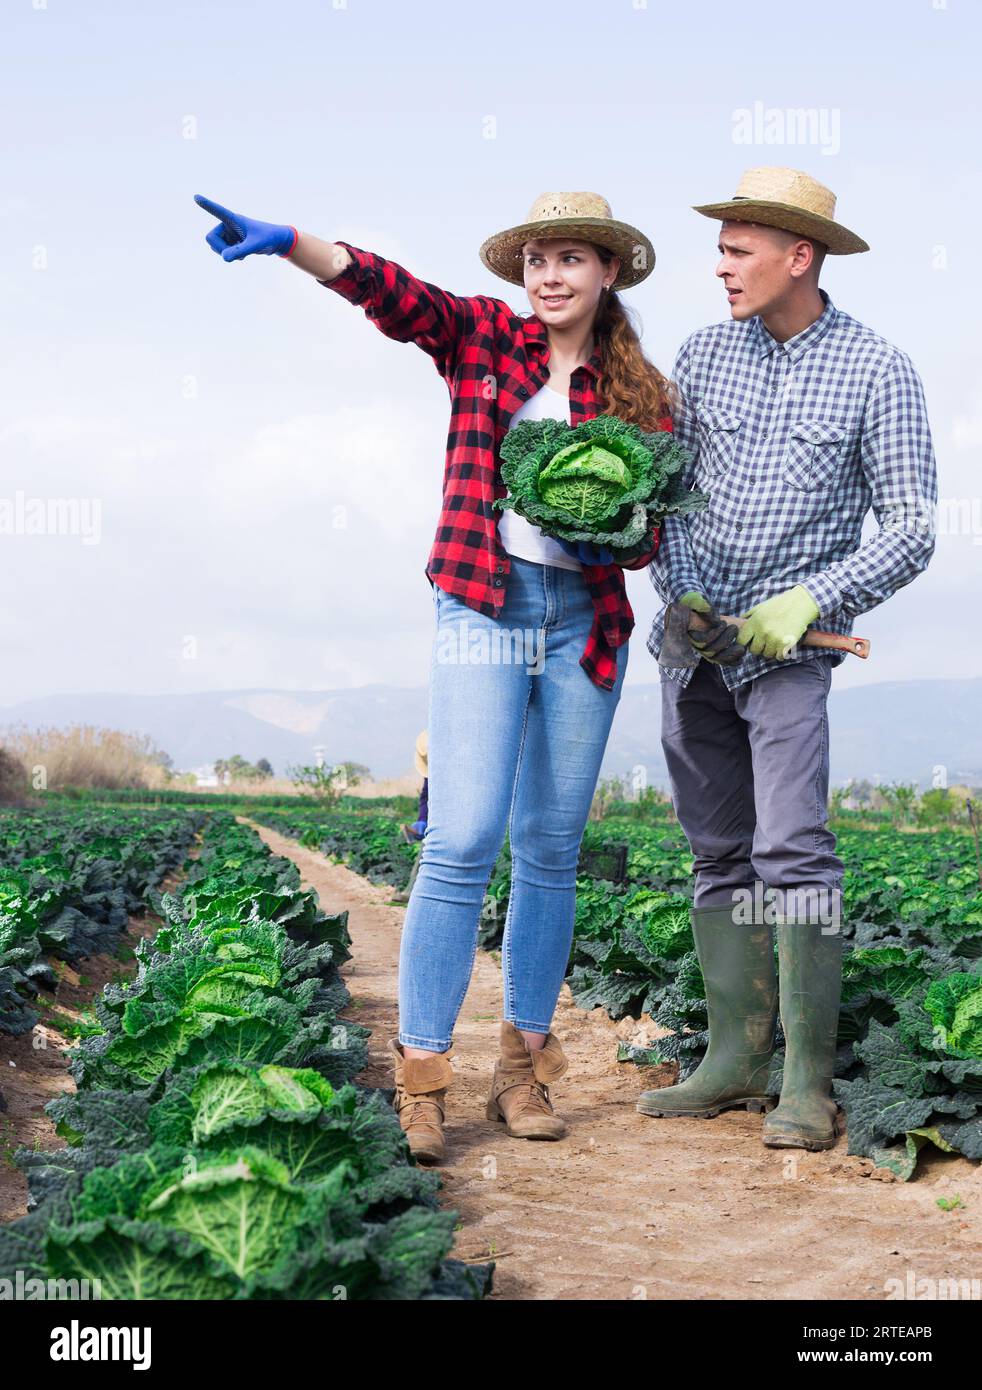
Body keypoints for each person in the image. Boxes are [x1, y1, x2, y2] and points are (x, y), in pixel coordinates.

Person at [195, 189, 672, 1164]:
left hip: (586, 622)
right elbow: (391, 292)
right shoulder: (482, 337)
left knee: (548, 851)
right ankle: (421, 1080)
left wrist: (605, 524)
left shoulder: (638, 394)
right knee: (456, 839)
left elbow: (650, 533)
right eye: (537, 258)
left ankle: (521, 1072)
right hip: (482, 605)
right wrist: (292, 244)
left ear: (606, 272)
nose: (550, 275)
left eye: (571, 259)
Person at [642, 167, 937, 1151]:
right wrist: (682, 596)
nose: (719, 266)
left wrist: (812, 597)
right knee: (716, 853)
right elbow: (669, 499)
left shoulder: (877, 368)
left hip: (791, 660)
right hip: (690, 651)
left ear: (796, 254)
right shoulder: (701, 355)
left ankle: (804, 1084)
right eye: (719, 248)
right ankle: (732, 1061)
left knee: (793, 852)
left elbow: (909, 527)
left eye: (736, 249)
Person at [392, 730, 429, 905]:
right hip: (437, 820)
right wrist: (422, 820)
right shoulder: (430, 777)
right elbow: (425, 797)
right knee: (425, 852)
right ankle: (411, 891)